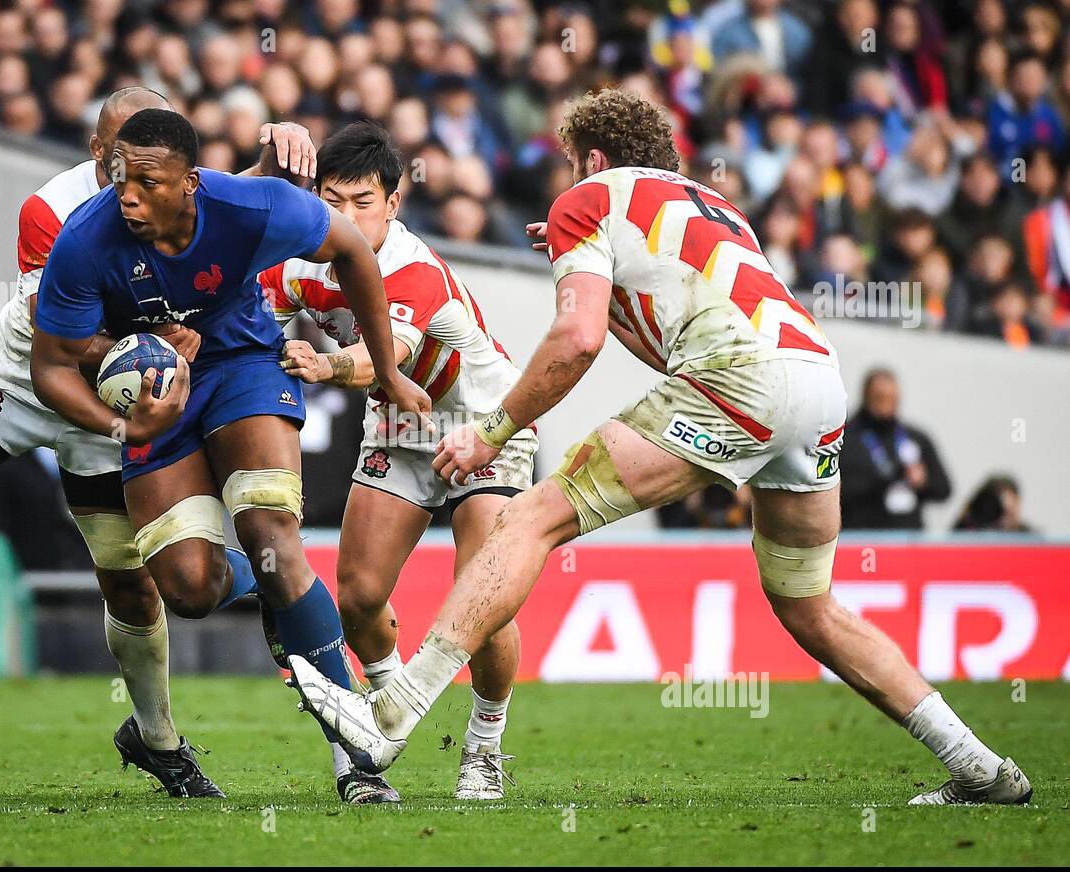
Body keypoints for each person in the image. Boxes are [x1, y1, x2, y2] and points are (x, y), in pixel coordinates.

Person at [290, 89, 1032, 808]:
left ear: (594, 158)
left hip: (737, 379)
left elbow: (576, 340)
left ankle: (389, 718)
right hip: (818, 382)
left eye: (570, 167)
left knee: (531, 520)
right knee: (809, 604)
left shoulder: (585, 199)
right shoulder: (716, 210)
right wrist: (599, 267)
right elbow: (671, 307)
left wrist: (493, 431)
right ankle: (979, 765)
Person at [0, 87, 317, 800]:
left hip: (114, 408)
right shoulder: (54, 209)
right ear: (97, 150)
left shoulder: (171, 192)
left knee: (132, 586)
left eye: (144, 157)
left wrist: (273, 153)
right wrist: (157, 338)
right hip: (19, 381)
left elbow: (237, 208)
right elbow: (64, 343)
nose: (127, 173)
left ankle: (158, 738)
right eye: (115, 153)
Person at [29, 109, 432, 805]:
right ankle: (264, 585)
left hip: (244, 365)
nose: (126, 195)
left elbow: (356, 252)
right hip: (159, 400)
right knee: (188, 590)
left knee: (271, 527)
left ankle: (354, 758)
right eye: (121, 178)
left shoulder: (251, 205)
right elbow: (51, 365)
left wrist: (390, 372)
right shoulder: (85, 240)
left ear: (189, 183)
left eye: (146, 182)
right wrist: (121, 427)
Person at [264, 122, 538, 800]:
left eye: (363, 202)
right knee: (356, 596)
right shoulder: (299, 261)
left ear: (394, 201)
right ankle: (392, 711)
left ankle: (483, 746)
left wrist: (324, 363)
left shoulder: (411, 268)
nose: (346, 217)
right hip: (398, 424)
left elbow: (378, 361)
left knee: (484, 597)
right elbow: (246, 319)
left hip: (482, 424)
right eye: (332, 200)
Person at [840, 368, 951, 529]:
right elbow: (841, 491)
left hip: (910, 538)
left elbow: (944, 489)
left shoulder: (915, 437)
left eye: (892, 399)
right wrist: (885, 479)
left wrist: (923, 482)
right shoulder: (846, 438)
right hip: (862, 537)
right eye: (879, 398)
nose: (886, 405)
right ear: (866, 396)